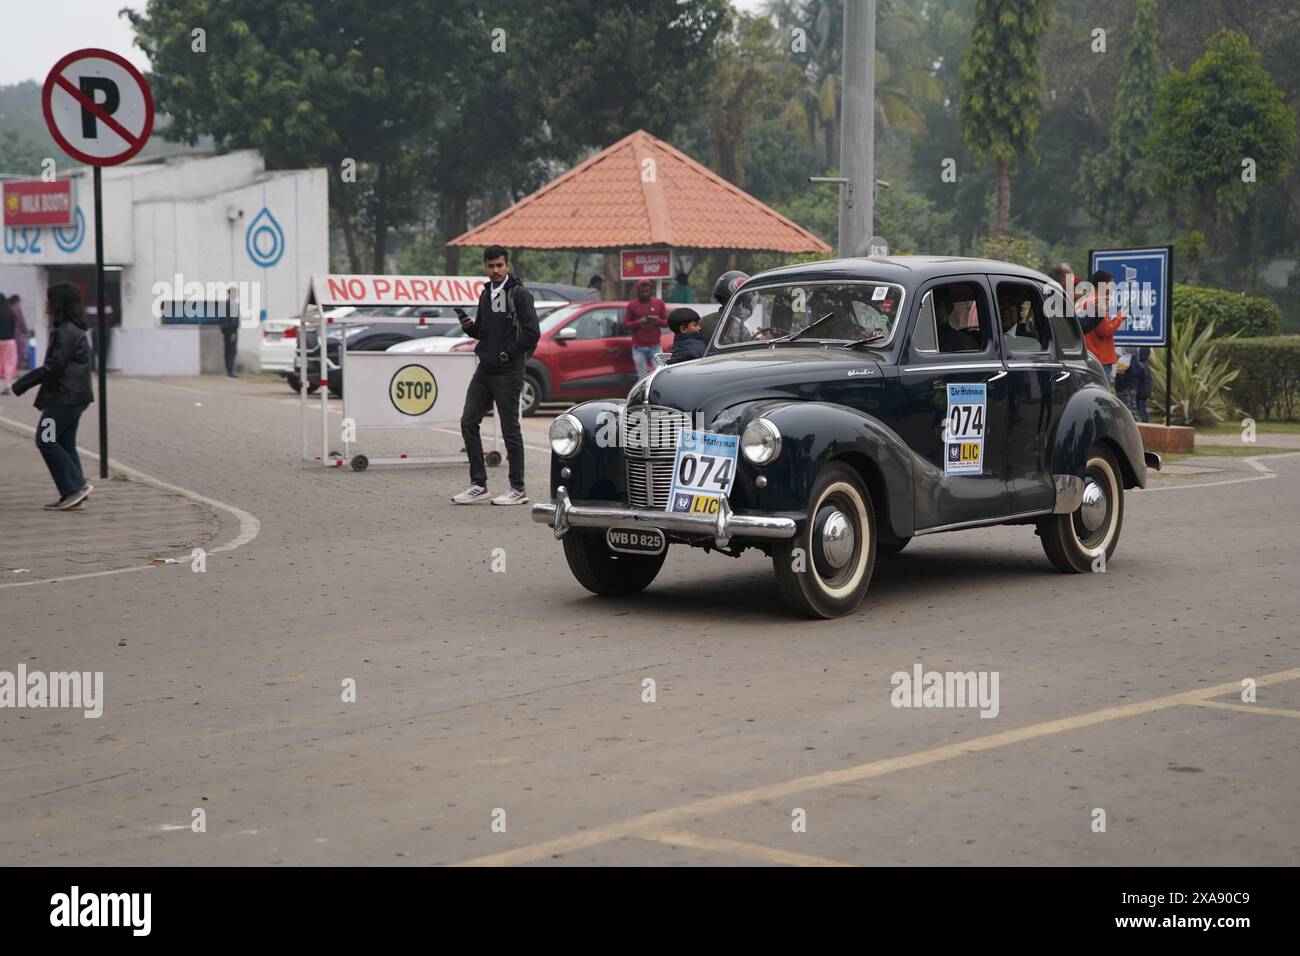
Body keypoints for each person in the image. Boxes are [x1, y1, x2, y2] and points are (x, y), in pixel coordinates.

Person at [453, 245, 540, 506]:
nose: (495, 271)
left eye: (499, 265)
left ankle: (518, 489)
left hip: (509, 371)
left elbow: (532, 333)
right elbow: (484, 332)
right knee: (468, 422)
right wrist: (470, 328)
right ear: (485, 267)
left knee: (510, 429)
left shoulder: (519, 294)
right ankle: (479, 484)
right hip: (485, 370)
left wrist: (507, 353)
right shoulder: (486, 293)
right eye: (490, 266)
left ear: (507, 266)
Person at [10, 283, 95, 510]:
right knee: (65, 444)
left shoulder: (66, 331)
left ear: (59, 304)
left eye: (50, 301)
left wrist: (20, 384)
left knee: (45, 439)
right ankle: (74, 494)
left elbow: (53, 366)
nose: (46, 305)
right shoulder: (73, 329)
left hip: (64, 399)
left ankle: (76, 486)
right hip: (74, 397)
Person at [1080, 269, 1125, 384]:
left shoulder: (1090, 299)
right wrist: (1121, 317)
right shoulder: (1097, 301)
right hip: (1101, 358)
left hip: (1097, 357)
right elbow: (1105, 330)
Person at [624, 278, 667, 378]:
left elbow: (667, 323)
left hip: (656, 346)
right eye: (642, 291)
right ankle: (643, 394)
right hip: (639, 347)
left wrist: (658, 321)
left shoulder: (659, 303)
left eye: (647, 291)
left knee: (660, 374)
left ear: (651, 290)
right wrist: (639, 322)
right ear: (638, 291)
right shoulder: (632, 305)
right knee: (642, 377)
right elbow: (626, 324)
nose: (645, 294)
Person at [218, 291, 239, 378]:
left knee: (228, 351)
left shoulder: (225, 305)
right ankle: (231, 371)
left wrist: (224, 330)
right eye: (234, 293)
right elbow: (233, 320)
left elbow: (221, 319)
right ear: (230, 294)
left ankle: (229, 370)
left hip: (226, 331)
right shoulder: (232, 305)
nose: (235, 295)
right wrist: (233, 332)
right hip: (231, 331)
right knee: (231, 351)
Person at [0, 293, 16, 393]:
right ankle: (8, 386)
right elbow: (14, 327)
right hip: (9, 340)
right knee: (8, 364)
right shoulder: (11, 313)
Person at [9, 294, 29, 370]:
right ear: (17, 301)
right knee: (19, 352)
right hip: (18, 334)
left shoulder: (7, 308)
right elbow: (21, 321)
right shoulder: (17, 309)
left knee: (11, 353)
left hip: (9, 334)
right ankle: (15, 368)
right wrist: (25, 330)